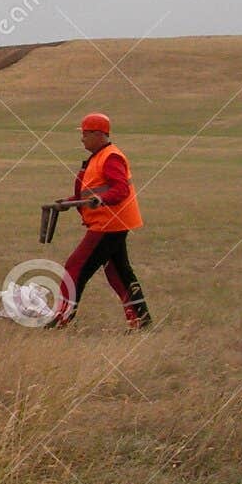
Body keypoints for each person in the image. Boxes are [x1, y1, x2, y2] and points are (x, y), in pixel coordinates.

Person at [51, 112, 151, 328]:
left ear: (99, 134)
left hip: (108, 224)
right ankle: (141, 319)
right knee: (118, 271)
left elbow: (120, 189)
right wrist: (69, 202)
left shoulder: (110, 157)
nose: (82, 138)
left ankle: (61, 317)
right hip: (112, 223)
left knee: (76, 266)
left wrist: (101, 199)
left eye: (85, 134)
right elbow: (92, 193)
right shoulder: (99, 157)